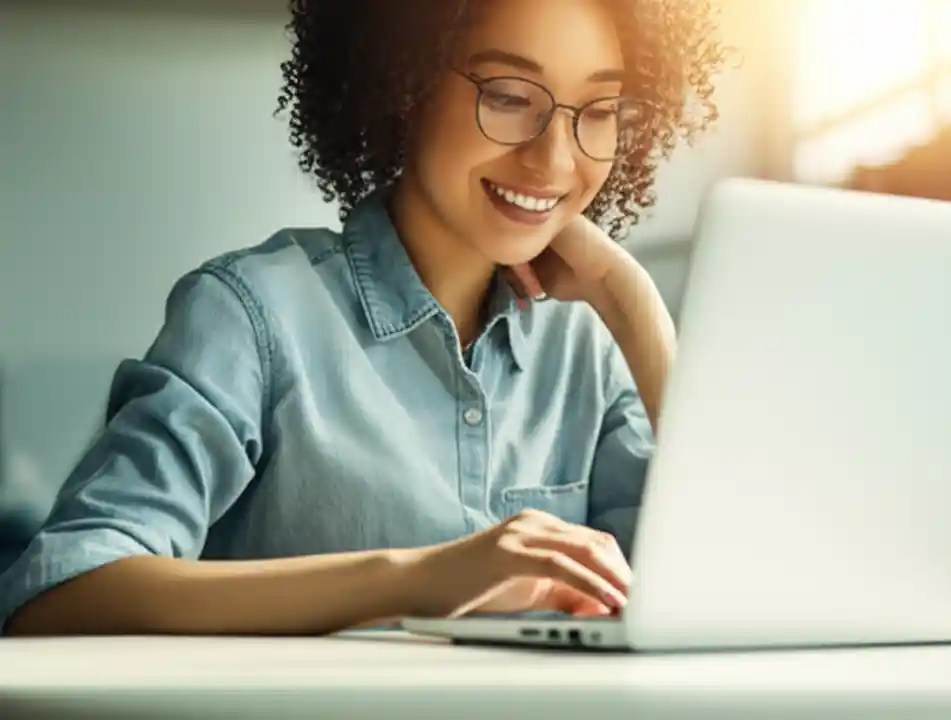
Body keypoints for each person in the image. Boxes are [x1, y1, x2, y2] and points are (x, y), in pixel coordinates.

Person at [0, 0, 727, 636]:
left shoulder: (588, 347)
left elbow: (719, 598)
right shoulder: (254, 314)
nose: (554, 157)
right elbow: (60, 590)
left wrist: (633, 304)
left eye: (599, 111)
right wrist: (415, 579)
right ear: (403, 86)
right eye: (508, 96)